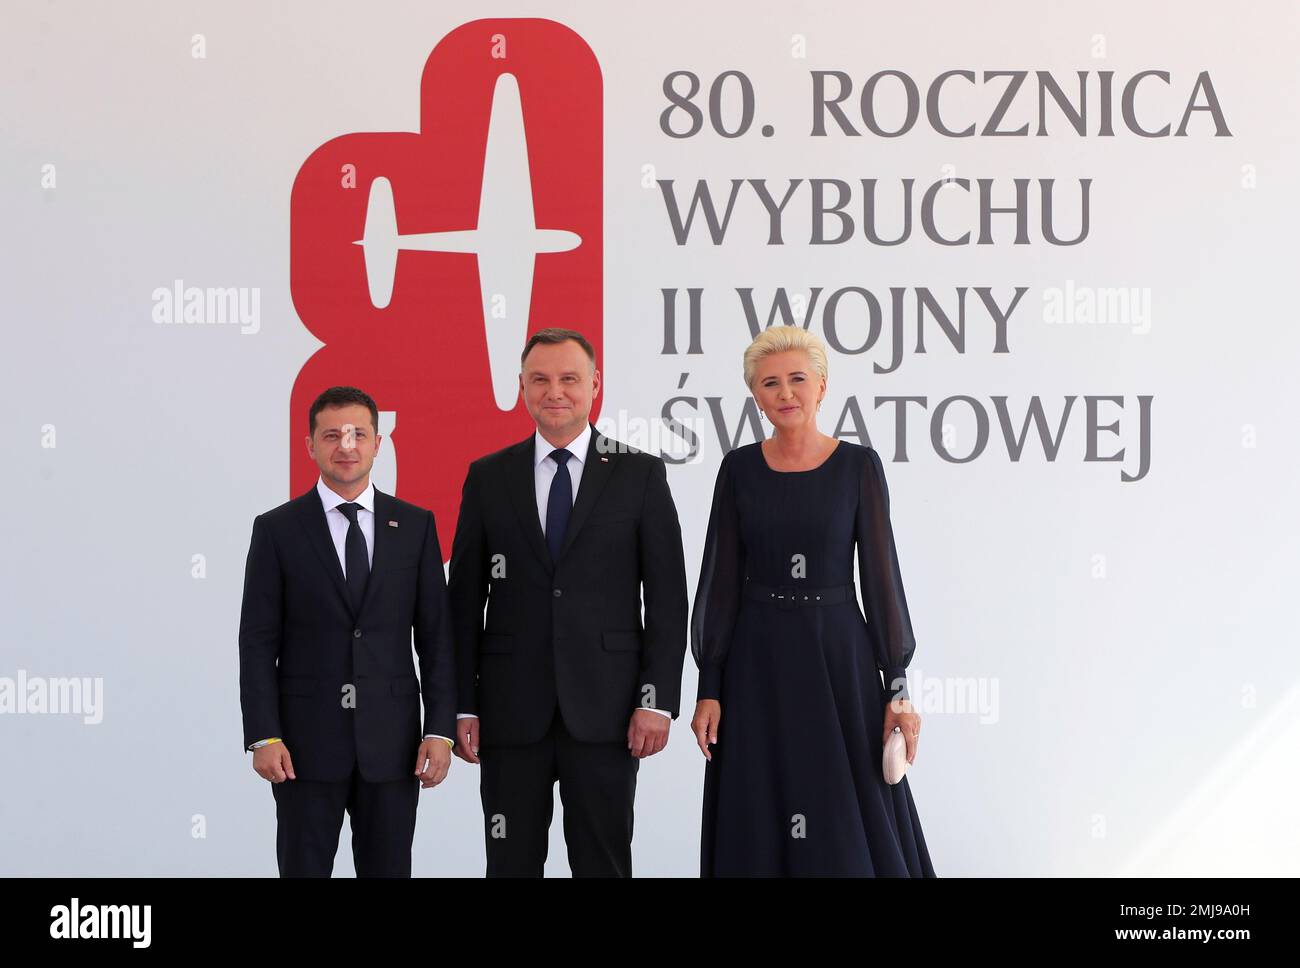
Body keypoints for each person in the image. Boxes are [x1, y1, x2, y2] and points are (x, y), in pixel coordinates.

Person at [690, 326, 936, 876]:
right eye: (770, 383)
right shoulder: (738, 470)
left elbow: (881, 581)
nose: (785, 393)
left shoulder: (858, 467)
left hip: (838, 658)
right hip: (756, 663)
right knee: (759, 803)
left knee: (845, 809)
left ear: (822, 386)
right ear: (755, 396)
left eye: (798, 379)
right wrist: (709, 688)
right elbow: (720, 584)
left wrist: (896, 686)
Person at [448, 328, 688, 876]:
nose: (555, 391)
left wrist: (656, 698)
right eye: (540, 379)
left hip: (608, 712)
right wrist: (462, 703)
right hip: (509, 713)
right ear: (522, 387)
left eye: (569, 379)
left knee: (602, 862)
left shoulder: (640, 474)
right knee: (509, 862)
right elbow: (462, 601)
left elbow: (668, 597)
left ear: (595, 385)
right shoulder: (488, 477)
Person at [238, 386, 456, 877]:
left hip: (394, 746)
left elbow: (437, 639)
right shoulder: (277, 530)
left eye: (359, 434)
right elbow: (257, 643)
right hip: (303, 748)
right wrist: (263, 735)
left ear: (378, 444)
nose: (347, 445)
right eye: (332, 434)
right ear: (310, 446)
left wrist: (439, 730)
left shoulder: (417, 526)